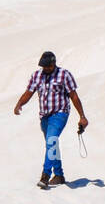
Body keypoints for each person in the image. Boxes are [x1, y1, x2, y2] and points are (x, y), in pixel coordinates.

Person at [13, 51, 88, 188]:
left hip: (60, 114)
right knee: (52, 145)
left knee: (51, 141)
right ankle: (59, 175)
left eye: (47, 66)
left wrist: (82, 116)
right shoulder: (37, 76)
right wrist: (19, 104)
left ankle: (45, 176)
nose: (45, 69)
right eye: (43, 66)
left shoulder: (64, 75)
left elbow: (74, 96)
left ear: (53, 64)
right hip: (44, 117)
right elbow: (28, 92)